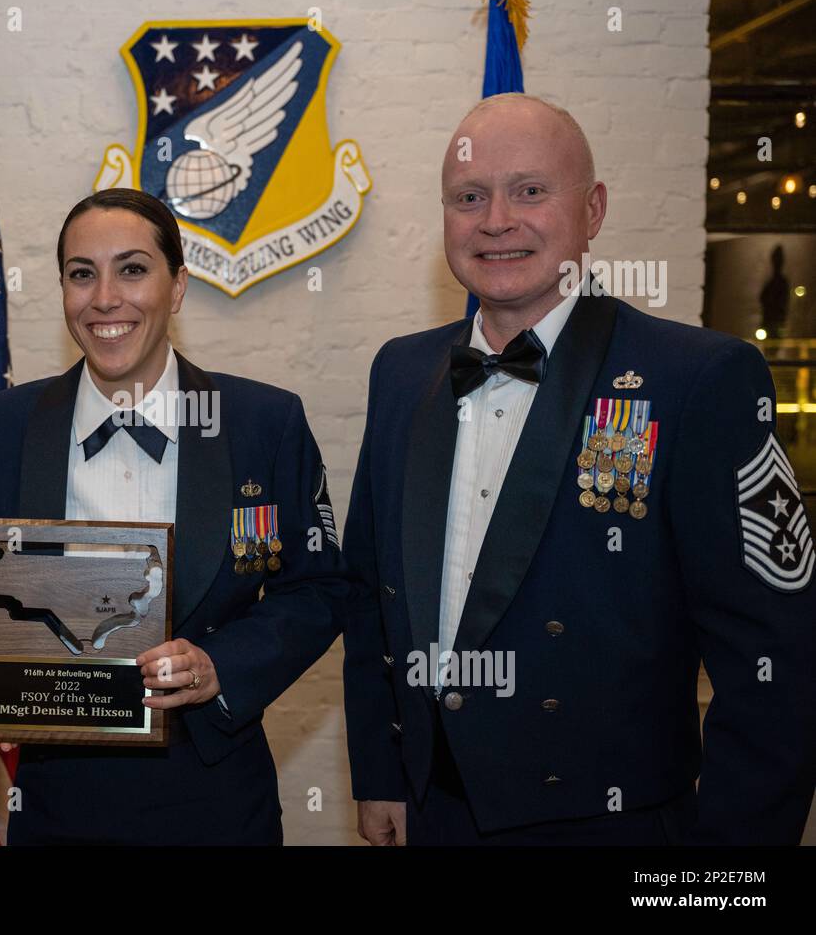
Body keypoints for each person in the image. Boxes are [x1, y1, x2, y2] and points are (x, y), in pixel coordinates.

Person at [342, 93, 816, 845]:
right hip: (435, 812)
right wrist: (382, 773)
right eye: (469, 197)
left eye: (531, 190)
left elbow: (777, 661)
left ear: (592, 210)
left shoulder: (698, 379)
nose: (496, 220)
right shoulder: (402, 372)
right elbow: (371, 594)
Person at [0, 188, 351, 844]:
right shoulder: (6, 425)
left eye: (133, 269)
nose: (105, 298)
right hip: (57, 801)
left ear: (177, 287)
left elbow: (319, 588)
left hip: (215, 796)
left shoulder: (262, 421)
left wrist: (219, 665)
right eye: (81, 274)